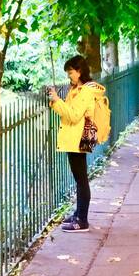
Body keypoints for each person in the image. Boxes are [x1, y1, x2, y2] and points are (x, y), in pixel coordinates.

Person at [47, 54, 101, 232]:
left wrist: (58, 100)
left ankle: (82, 220)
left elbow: (73, 115)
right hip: (72, 139)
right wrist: (55, 103)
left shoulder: (84, 91)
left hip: (78, 140)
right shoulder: (75, 89)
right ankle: (78, 213)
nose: (68, 75)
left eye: (70, 72)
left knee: (81, 179)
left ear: (79, 71)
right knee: (79, 179)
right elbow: (67, 111)